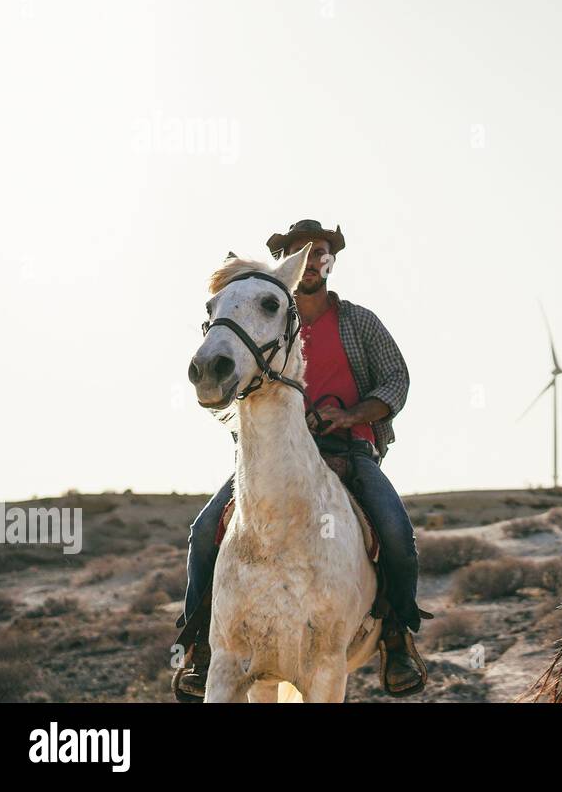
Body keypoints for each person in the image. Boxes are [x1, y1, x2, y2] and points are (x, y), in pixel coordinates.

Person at [174, 219, 429, 698]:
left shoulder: (359, 322)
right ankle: (199, 648)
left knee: (395, 532)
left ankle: (396, 640)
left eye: (321, 253)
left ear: (330, 263)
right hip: (274, 458)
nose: (312, 260)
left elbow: (395, 381)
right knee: (204, 531)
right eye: (301, 252)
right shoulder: (258, 312)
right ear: (286, 263)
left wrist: (349, 414)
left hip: (348, 451)